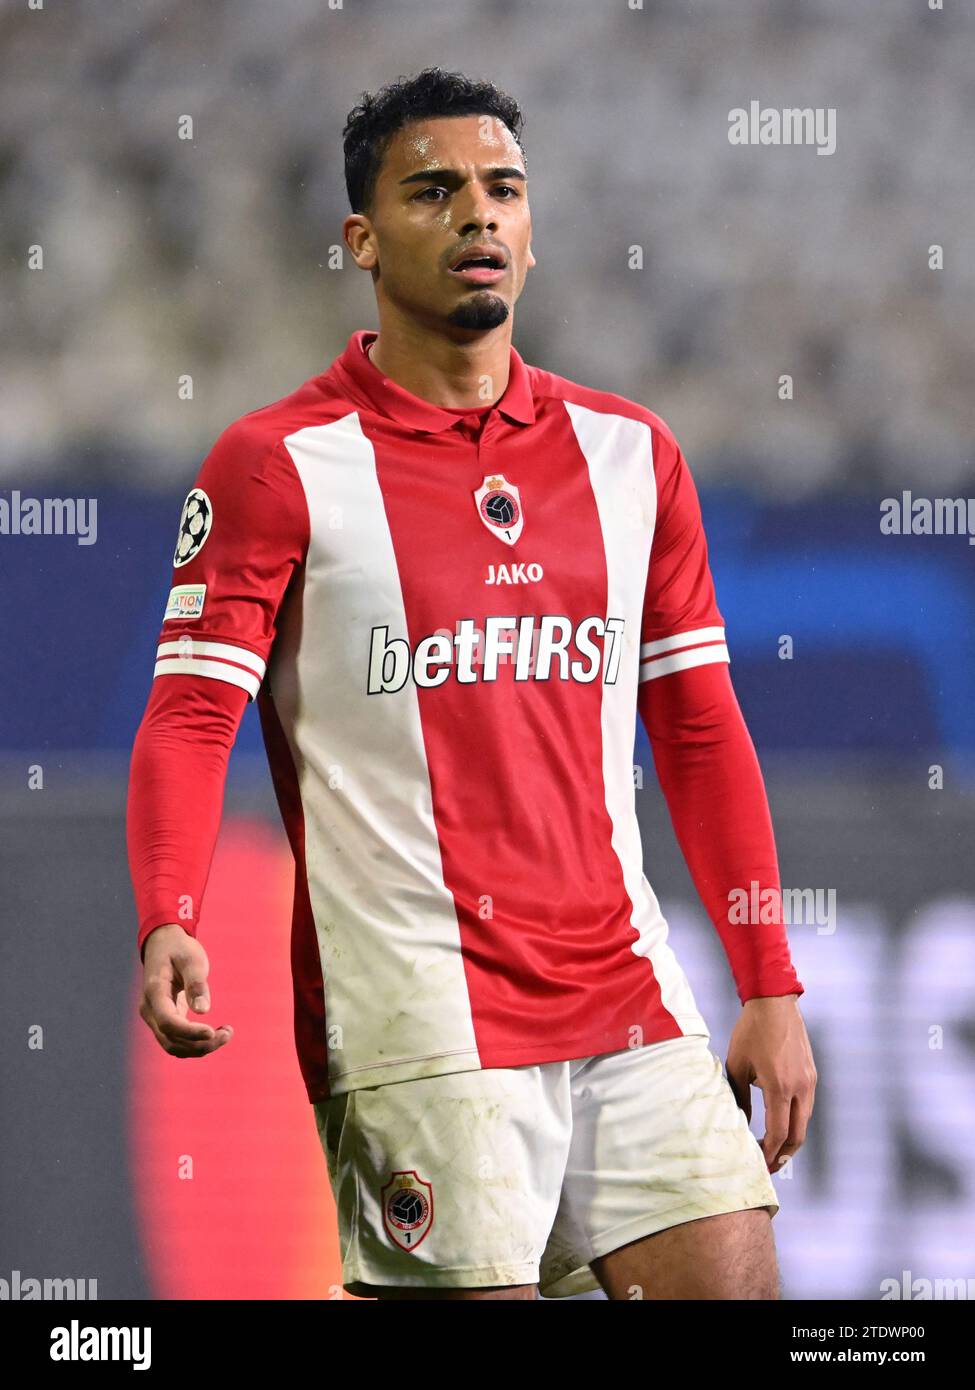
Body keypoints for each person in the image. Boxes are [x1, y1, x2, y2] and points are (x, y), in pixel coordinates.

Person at [127, 67, 817, 1301]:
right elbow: (190, 712)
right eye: (434, 192)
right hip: (418, 1023)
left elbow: (702, 728)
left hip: (630, 1002)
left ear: (533, 229)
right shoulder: (277, 465)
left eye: (503, 190)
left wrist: (767, 978)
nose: (478, 218)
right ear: (361, 238)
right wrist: (170, 907)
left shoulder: (631, 456)